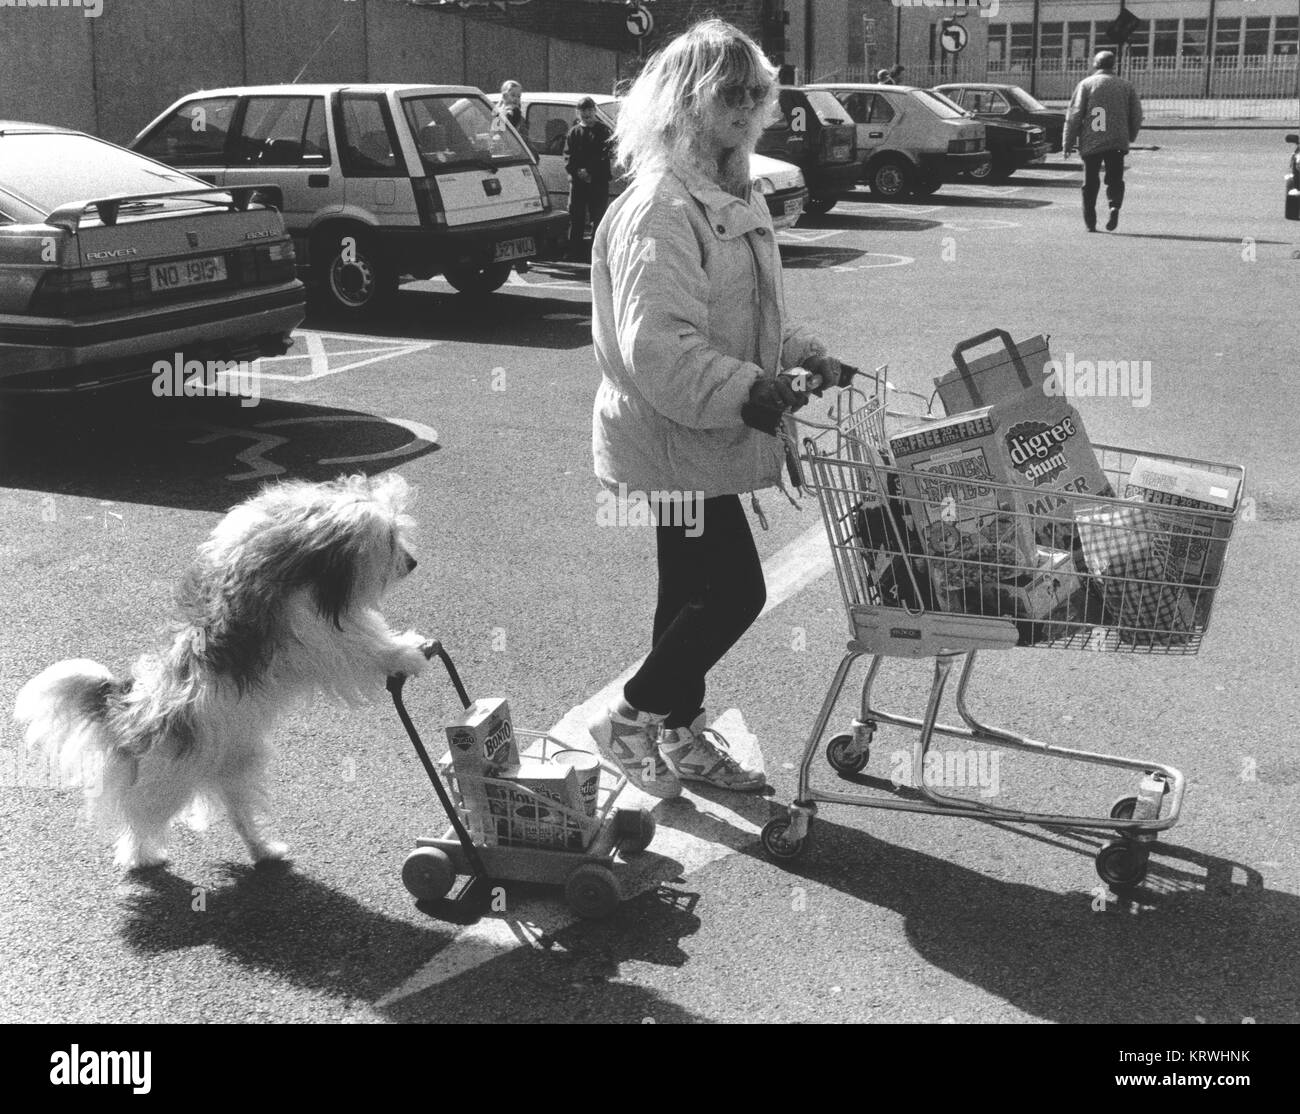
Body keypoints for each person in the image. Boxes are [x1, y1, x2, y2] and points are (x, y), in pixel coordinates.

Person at [586, 19, 849, 796]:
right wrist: (751, 392)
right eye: (728, 95)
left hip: (697, 439)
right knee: (735, 592)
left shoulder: (725, 194)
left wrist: (802, 352)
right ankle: (630, 717)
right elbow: (658, 349)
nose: (745, 110)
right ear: (686, 103)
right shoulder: (662, 209)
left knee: (688, 597)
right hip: (675, 438)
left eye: (755, 95)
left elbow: (752, 312)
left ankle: (676, 732)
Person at [1062, 50, 1143, 232]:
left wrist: (1067, 142)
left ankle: (1090, 221)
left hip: (1092, 141)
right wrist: (1130, 135)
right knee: (1115, 179)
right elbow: (1137, 114)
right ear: (1113, 65)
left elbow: (1074, 114)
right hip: (1116, 140)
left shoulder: (1086, 84)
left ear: (1095, 64)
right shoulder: (1125, 85)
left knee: (1090, 182)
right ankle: (1114, 206)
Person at [563, 96, 614, 261]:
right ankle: (574, 251)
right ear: (578, 113)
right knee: (576, 217)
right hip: (578, 183)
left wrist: (590, 172)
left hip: (597, 181)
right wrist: (578, 171)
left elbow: (604, 154)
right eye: (583, 110)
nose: (586, 113)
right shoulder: (574, 132)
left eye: (590, 110)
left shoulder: (604, 131)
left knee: (598, 217)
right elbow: (568, 156)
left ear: (595, 111)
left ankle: (596, 252)